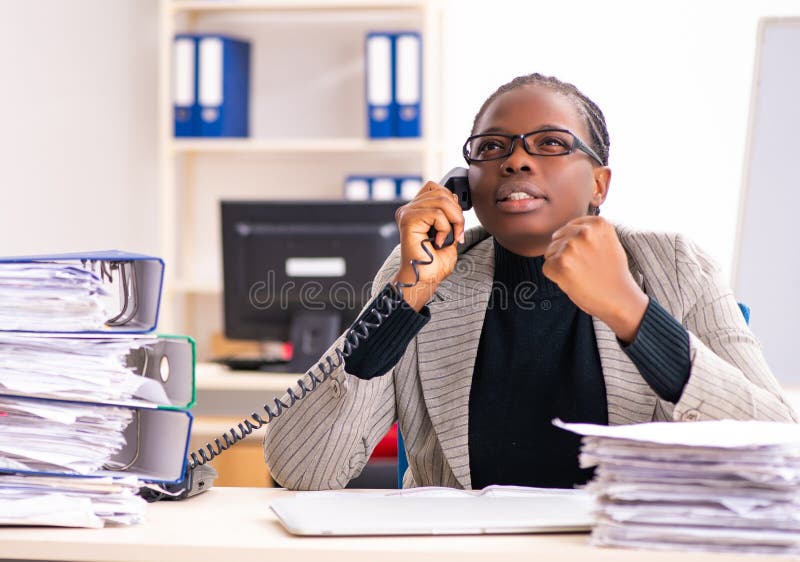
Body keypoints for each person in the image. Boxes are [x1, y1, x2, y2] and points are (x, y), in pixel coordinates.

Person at [263, 73, 797, 491]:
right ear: (464, 184)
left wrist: (634, 313)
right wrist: (407, 298)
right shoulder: (422, 275)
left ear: (599, 184)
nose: (515, 159)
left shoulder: (674, 267)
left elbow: (783, 450)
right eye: (491, 148)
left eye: (549, 143)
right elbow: (302, 468)